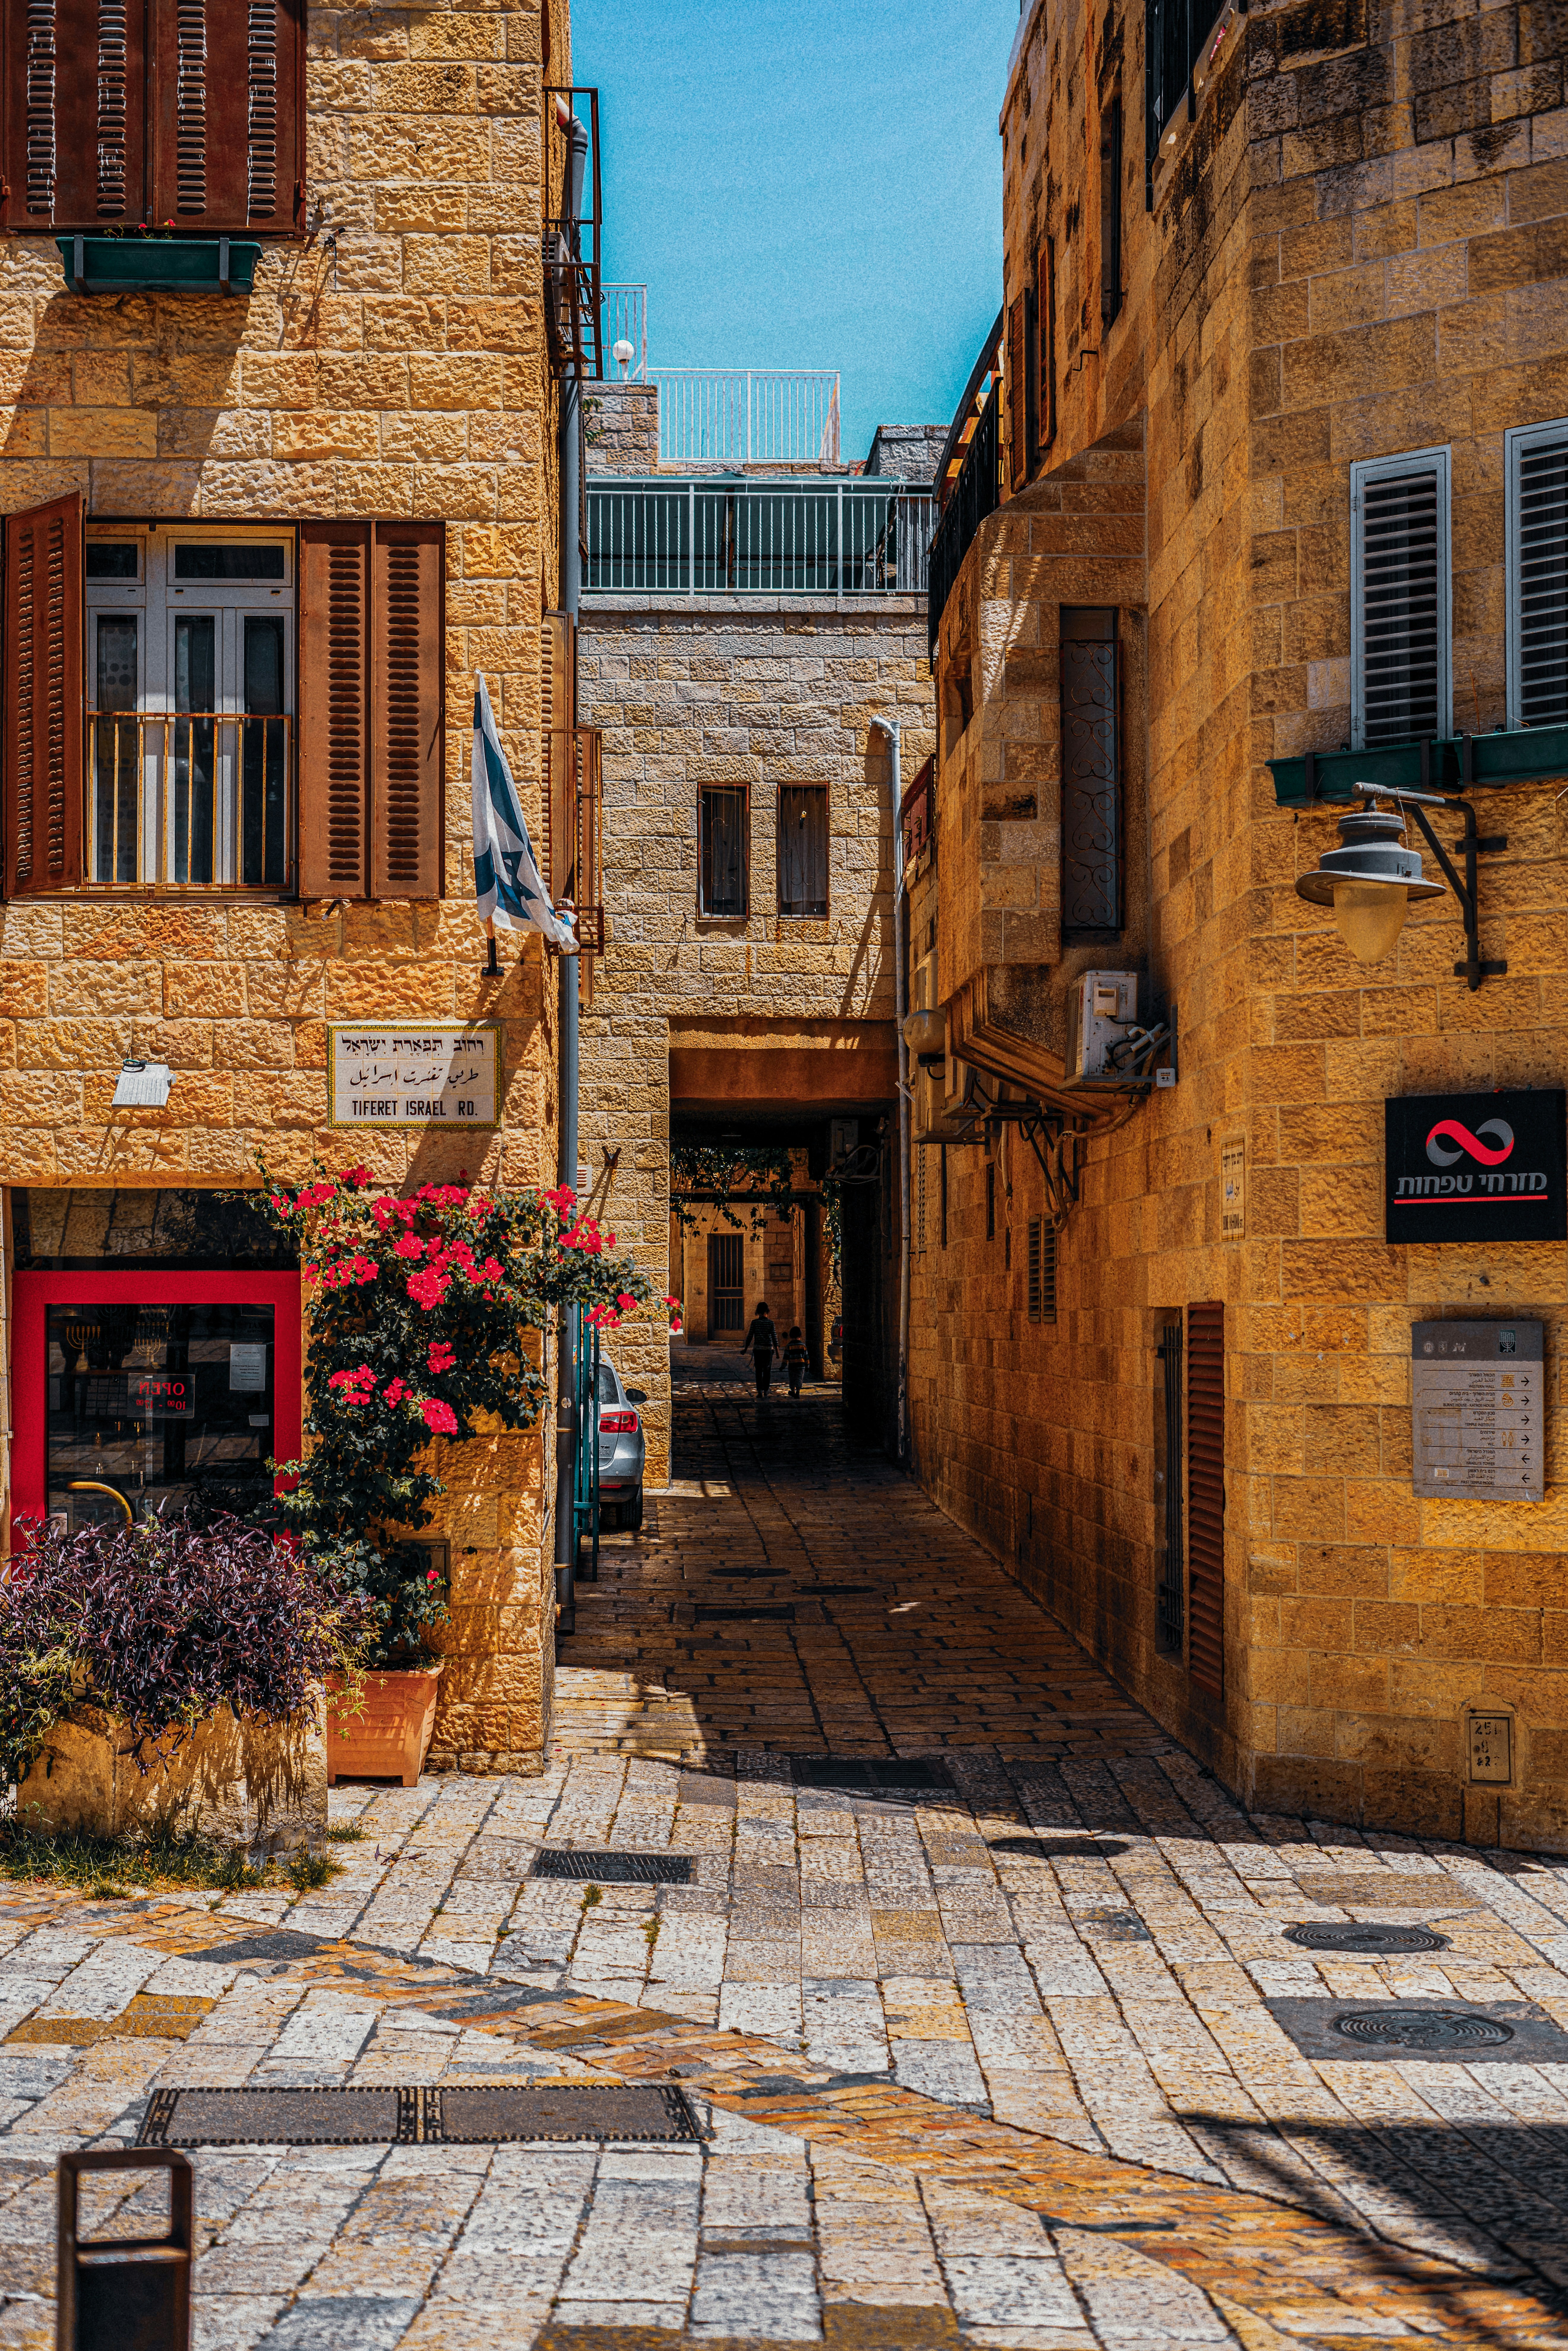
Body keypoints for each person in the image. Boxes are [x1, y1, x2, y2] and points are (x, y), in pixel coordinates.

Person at [740, 1300, 780, 1396]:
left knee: (758, 1371)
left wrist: (745, 1349)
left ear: (757, 1312)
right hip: (768, 1351)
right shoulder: (771, 1323)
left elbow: (750, 1337)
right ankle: (766, 1390)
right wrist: (778, 1353)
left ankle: (760, 1391)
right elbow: (775, 1338)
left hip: (758, 1350)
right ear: (768, 1311)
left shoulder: (755, 1323)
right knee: (767, 1370)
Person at [783, 1325, 809, 1398]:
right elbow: (806, 1357)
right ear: (800, 1335)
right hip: (801, 1366)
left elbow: (786, 1357)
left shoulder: (789, 1346)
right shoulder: (803, 1346)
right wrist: (807, 1366)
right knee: (799, 1379)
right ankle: (798, 1391)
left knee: (792, 1379)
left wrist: (784, 1365)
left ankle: (793, 1391)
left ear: (791, 1335)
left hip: (792, 1366)